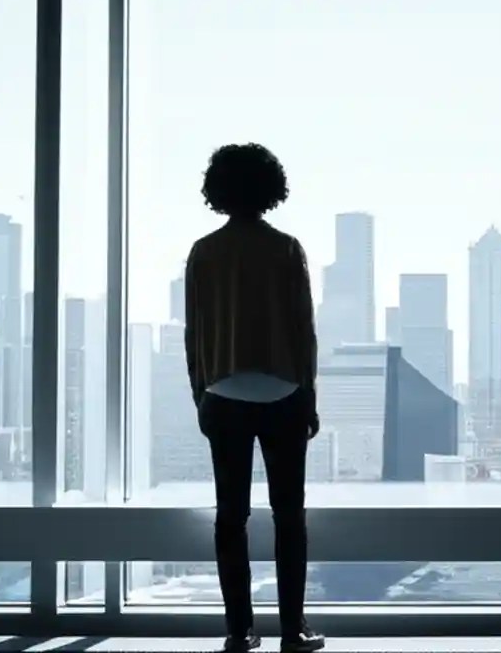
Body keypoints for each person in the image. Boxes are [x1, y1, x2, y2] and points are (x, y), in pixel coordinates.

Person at [183, 143, 325, 653]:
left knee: (230, 516)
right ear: (272, 187)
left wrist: (200, 392)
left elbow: (193, 331)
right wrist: (309, 396)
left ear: (217, 189)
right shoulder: (287, 249)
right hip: (284, 389)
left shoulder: (203, 252)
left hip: (222, 393)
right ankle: (293, 630)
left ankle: (239, 631)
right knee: (290, 515)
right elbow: (303, 331)